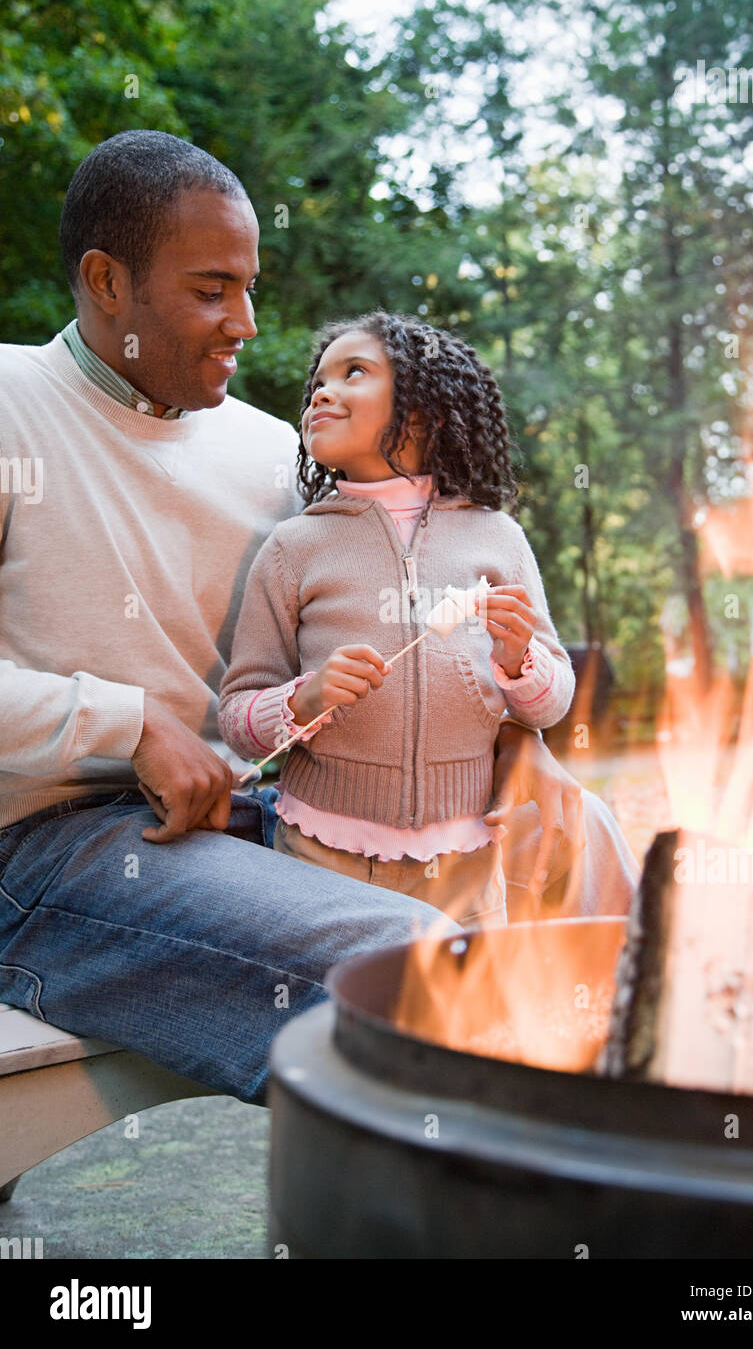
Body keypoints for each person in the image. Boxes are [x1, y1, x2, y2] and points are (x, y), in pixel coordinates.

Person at [0, 130, 636, 1105]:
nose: (247, 323)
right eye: (212, 289)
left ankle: (640, 1154)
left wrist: (515, 739)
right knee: (411, 965)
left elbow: (368, 642)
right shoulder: (11, 407)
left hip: (246, 812)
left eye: (249, 288)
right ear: (105, 281)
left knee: (587, 838)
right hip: (50, 841)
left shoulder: (268, 455)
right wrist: (128, 725)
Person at [218, 313, 577, 927]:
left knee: (460, 1018)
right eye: (317, 385)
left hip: (466, 857)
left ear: (424, 410)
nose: (322, 394)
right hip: (320, 853)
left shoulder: (498, 538)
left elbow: (552, 702)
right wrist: (305, 700)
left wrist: (519, 662)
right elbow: (238, 717)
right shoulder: (294, 547)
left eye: (354, 372)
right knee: (345, 1017)